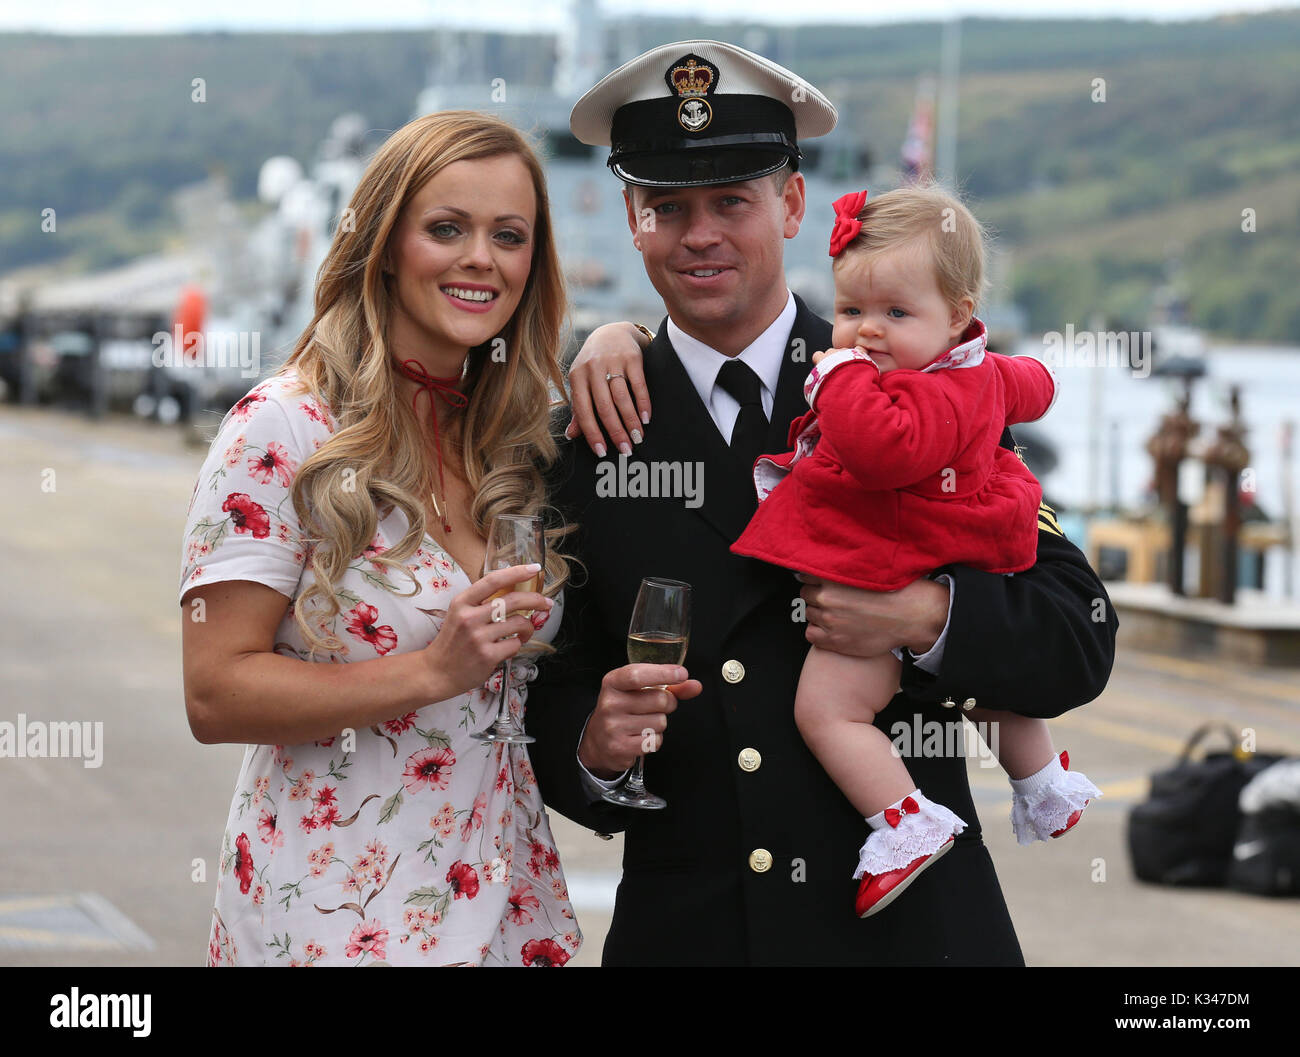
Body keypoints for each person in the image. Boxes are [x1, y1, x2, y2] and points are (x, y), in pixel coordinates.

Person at [527, 40, 1118, 967]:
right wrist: (596, 746)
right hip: (696, 935)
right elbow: (551, 694)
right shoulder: (590, 438)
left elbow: (1076, 634)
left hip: (907, 938)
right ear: (632, 221)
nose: (700, 235)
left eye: (732, 201)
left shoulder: (916, 385)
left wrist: (926, 615)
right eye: (667, 209)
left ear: (793, 204)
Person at [179, 111, 581, 967]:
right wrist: (432, 670)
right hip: (331, 917)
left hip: (497, 910)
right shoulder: (283, 425)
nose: (482, 257)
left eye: (509, 236)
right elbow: (214, 692)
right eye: (447, 228)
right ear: (387, 245)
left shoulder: (509, 441)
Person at [728, 184, 1101, 919]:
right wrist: (1034, 375)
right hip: (980, 543)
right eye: (852, 312)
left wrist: (922, 619)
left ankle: (903, 821)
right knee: (990, 687)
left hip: (891, 557)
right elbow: (1028, 383)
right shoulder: (977, 370)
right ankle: (1043, 780)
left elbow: (881, 448)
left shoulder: (882, 389)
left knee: (828, 710)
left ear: (958, 314)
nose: (866, 334)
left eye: (895, 313)